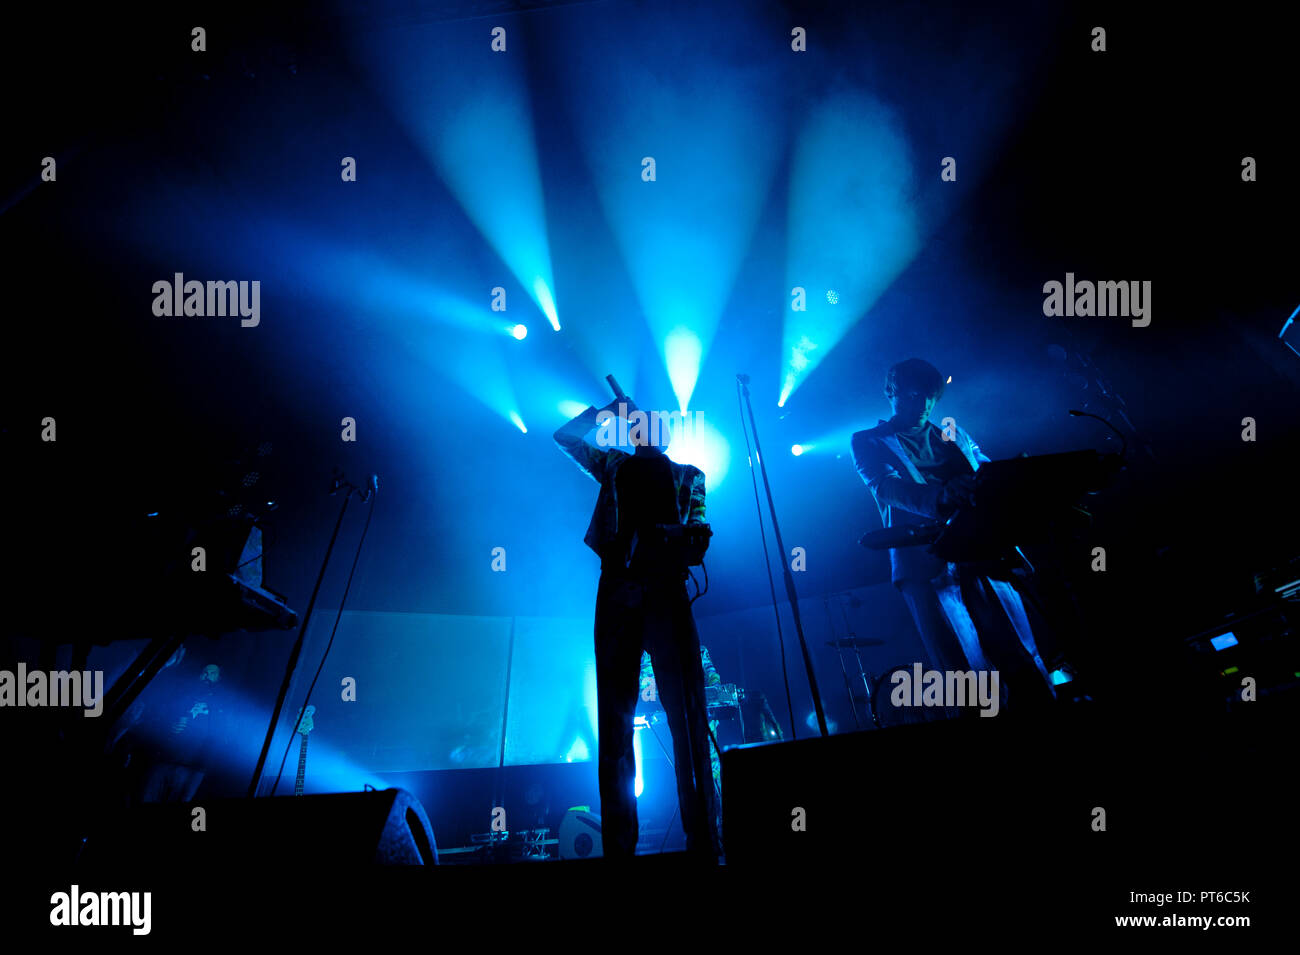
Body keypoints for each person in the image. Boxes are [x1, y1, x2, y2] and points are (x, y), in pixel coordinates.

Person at [554, 396, 720, 860]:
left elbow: (700, 533)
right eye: (643, 425)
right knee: (615, 718)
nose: (653, 431)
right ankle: (619, 849)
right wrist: (603, 412)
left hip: (667, 594)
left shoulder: (690, 476)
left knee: (688, 715)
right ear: (632, 431)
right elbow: (564, 438)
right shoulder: (613, 466)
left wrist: (680, 539)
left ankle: (703, 837)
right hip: (619, 594)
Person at [850, 359, 1057, 716]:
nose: (923, 405)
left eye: (930, 397)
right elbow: (886, 487)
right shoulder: (867, 441)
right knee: (964, 675)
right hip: (926, 563)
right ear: (891, 392)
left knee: (1022, 656)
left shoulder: (953, 432)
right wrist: (943, 495)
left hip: (986, 555)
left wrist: (1011, 476)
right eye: (913, 395)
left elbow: (987, 472)